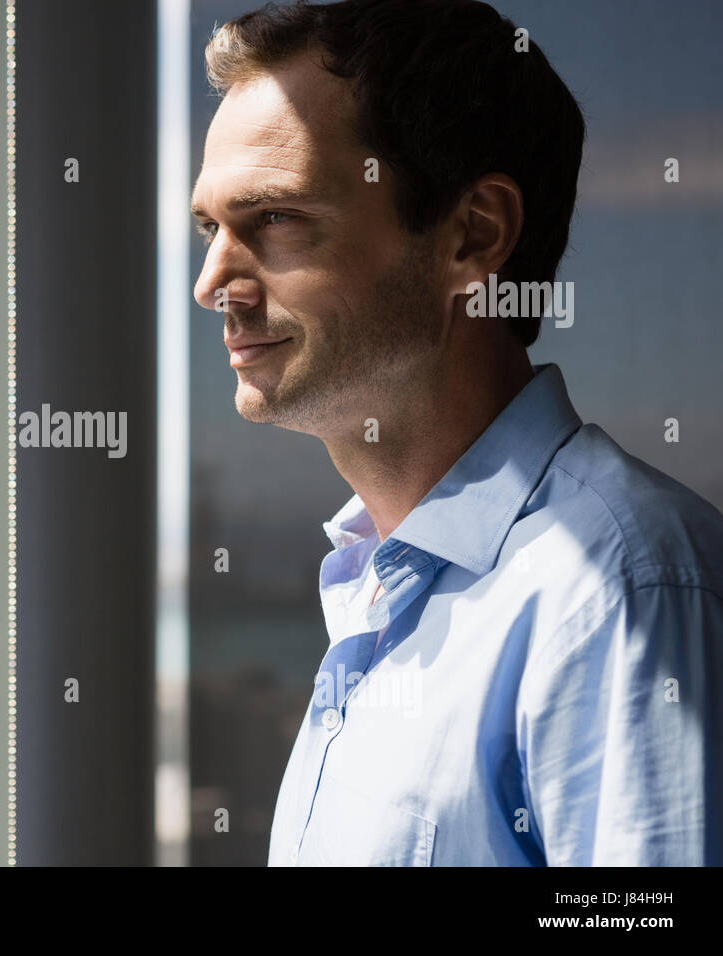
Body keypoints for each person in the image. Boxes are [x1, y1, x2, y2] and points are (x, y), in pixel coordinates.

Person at [189, 0, 723, 865]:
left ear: (475, 236)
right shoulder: (379, 583)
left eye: (276, 219)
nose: (214, 282)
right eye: (210, 228)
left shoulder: (622, 591)